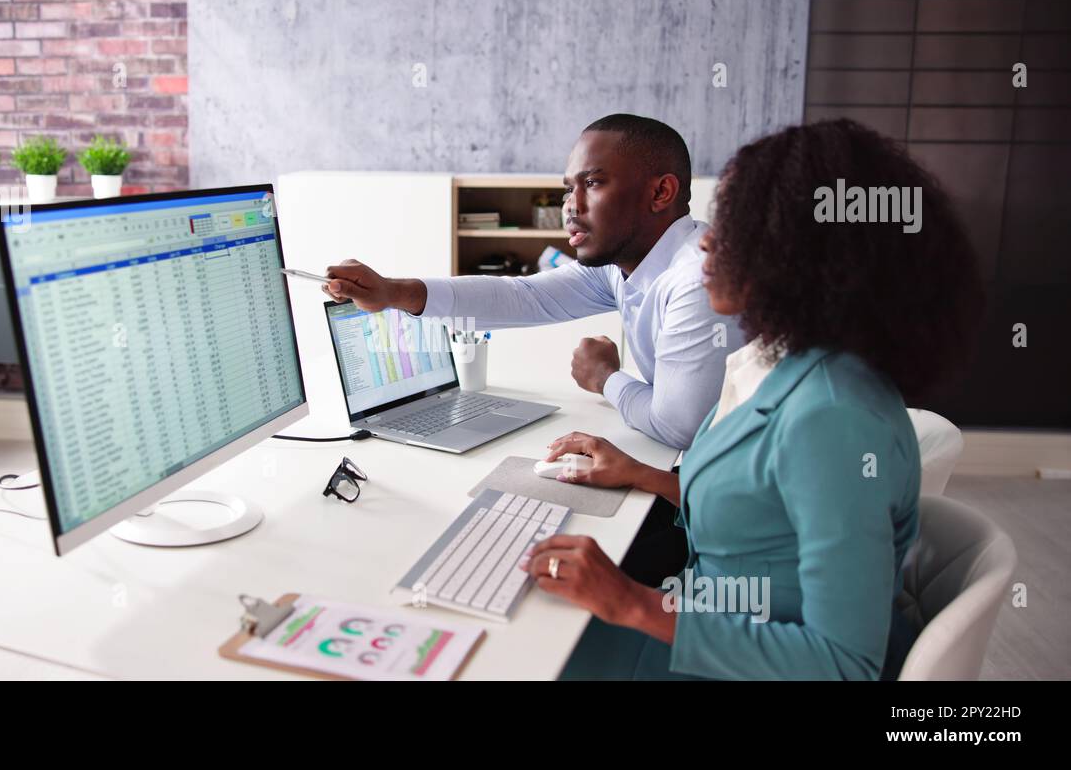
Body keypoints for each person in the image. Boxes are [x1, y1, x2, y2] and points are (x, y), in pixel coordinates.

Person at [520, 119, 985, 680]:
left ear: (816, 256)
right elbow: (764, 512)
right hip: (711, 615)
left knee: (517, 649)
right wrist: (644, 475)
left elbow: (843, 663)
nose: (709, 240)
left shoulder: (834, 416)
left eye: (738, 226)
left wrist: (630, 603)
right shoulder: (782, 363)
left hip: (735, 657)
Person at [323, 114, 745, 587]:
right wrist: (393, 292)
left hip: (728, 519)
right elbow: (524, 296)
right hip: (697, 486)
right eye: (569, 189)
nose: (572, 206)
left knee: (523, 560)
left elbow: (678, 425)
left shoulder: (694, 279)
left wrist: (606, 377)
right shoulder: (628, 263)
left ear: (661, 193)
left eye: (593, 183)